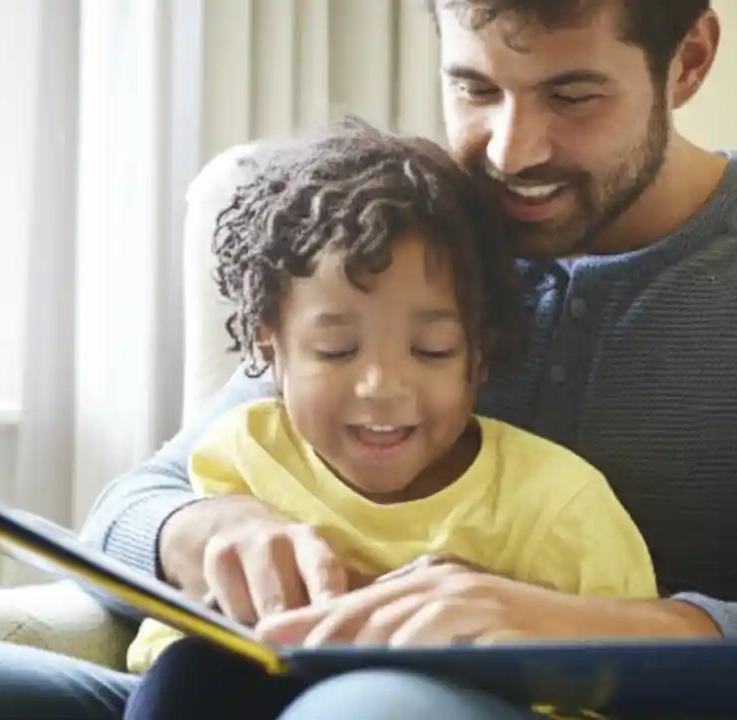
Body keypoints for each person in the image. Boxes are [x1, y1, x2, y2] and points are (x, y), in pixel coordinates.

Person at [0, 1, 737, 719]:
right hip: (264, 694)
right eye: (472, 88)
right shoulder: (406, 235)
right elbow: (141, 498)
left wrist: (593, 627)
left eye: (571, 95)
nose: (510, 150)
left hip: (569, 708)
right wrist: (203, 534)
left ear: (689, 58)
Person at [121, 119, 657, 720]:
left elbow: (628, 690)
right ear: (270, 351)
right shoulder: (244, 454)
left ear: (479, 358)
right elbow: (161, 661)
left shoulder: (557, 508)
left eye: (431, 351)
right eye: (336, 351)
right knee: (194, 668)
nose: (381, 388)